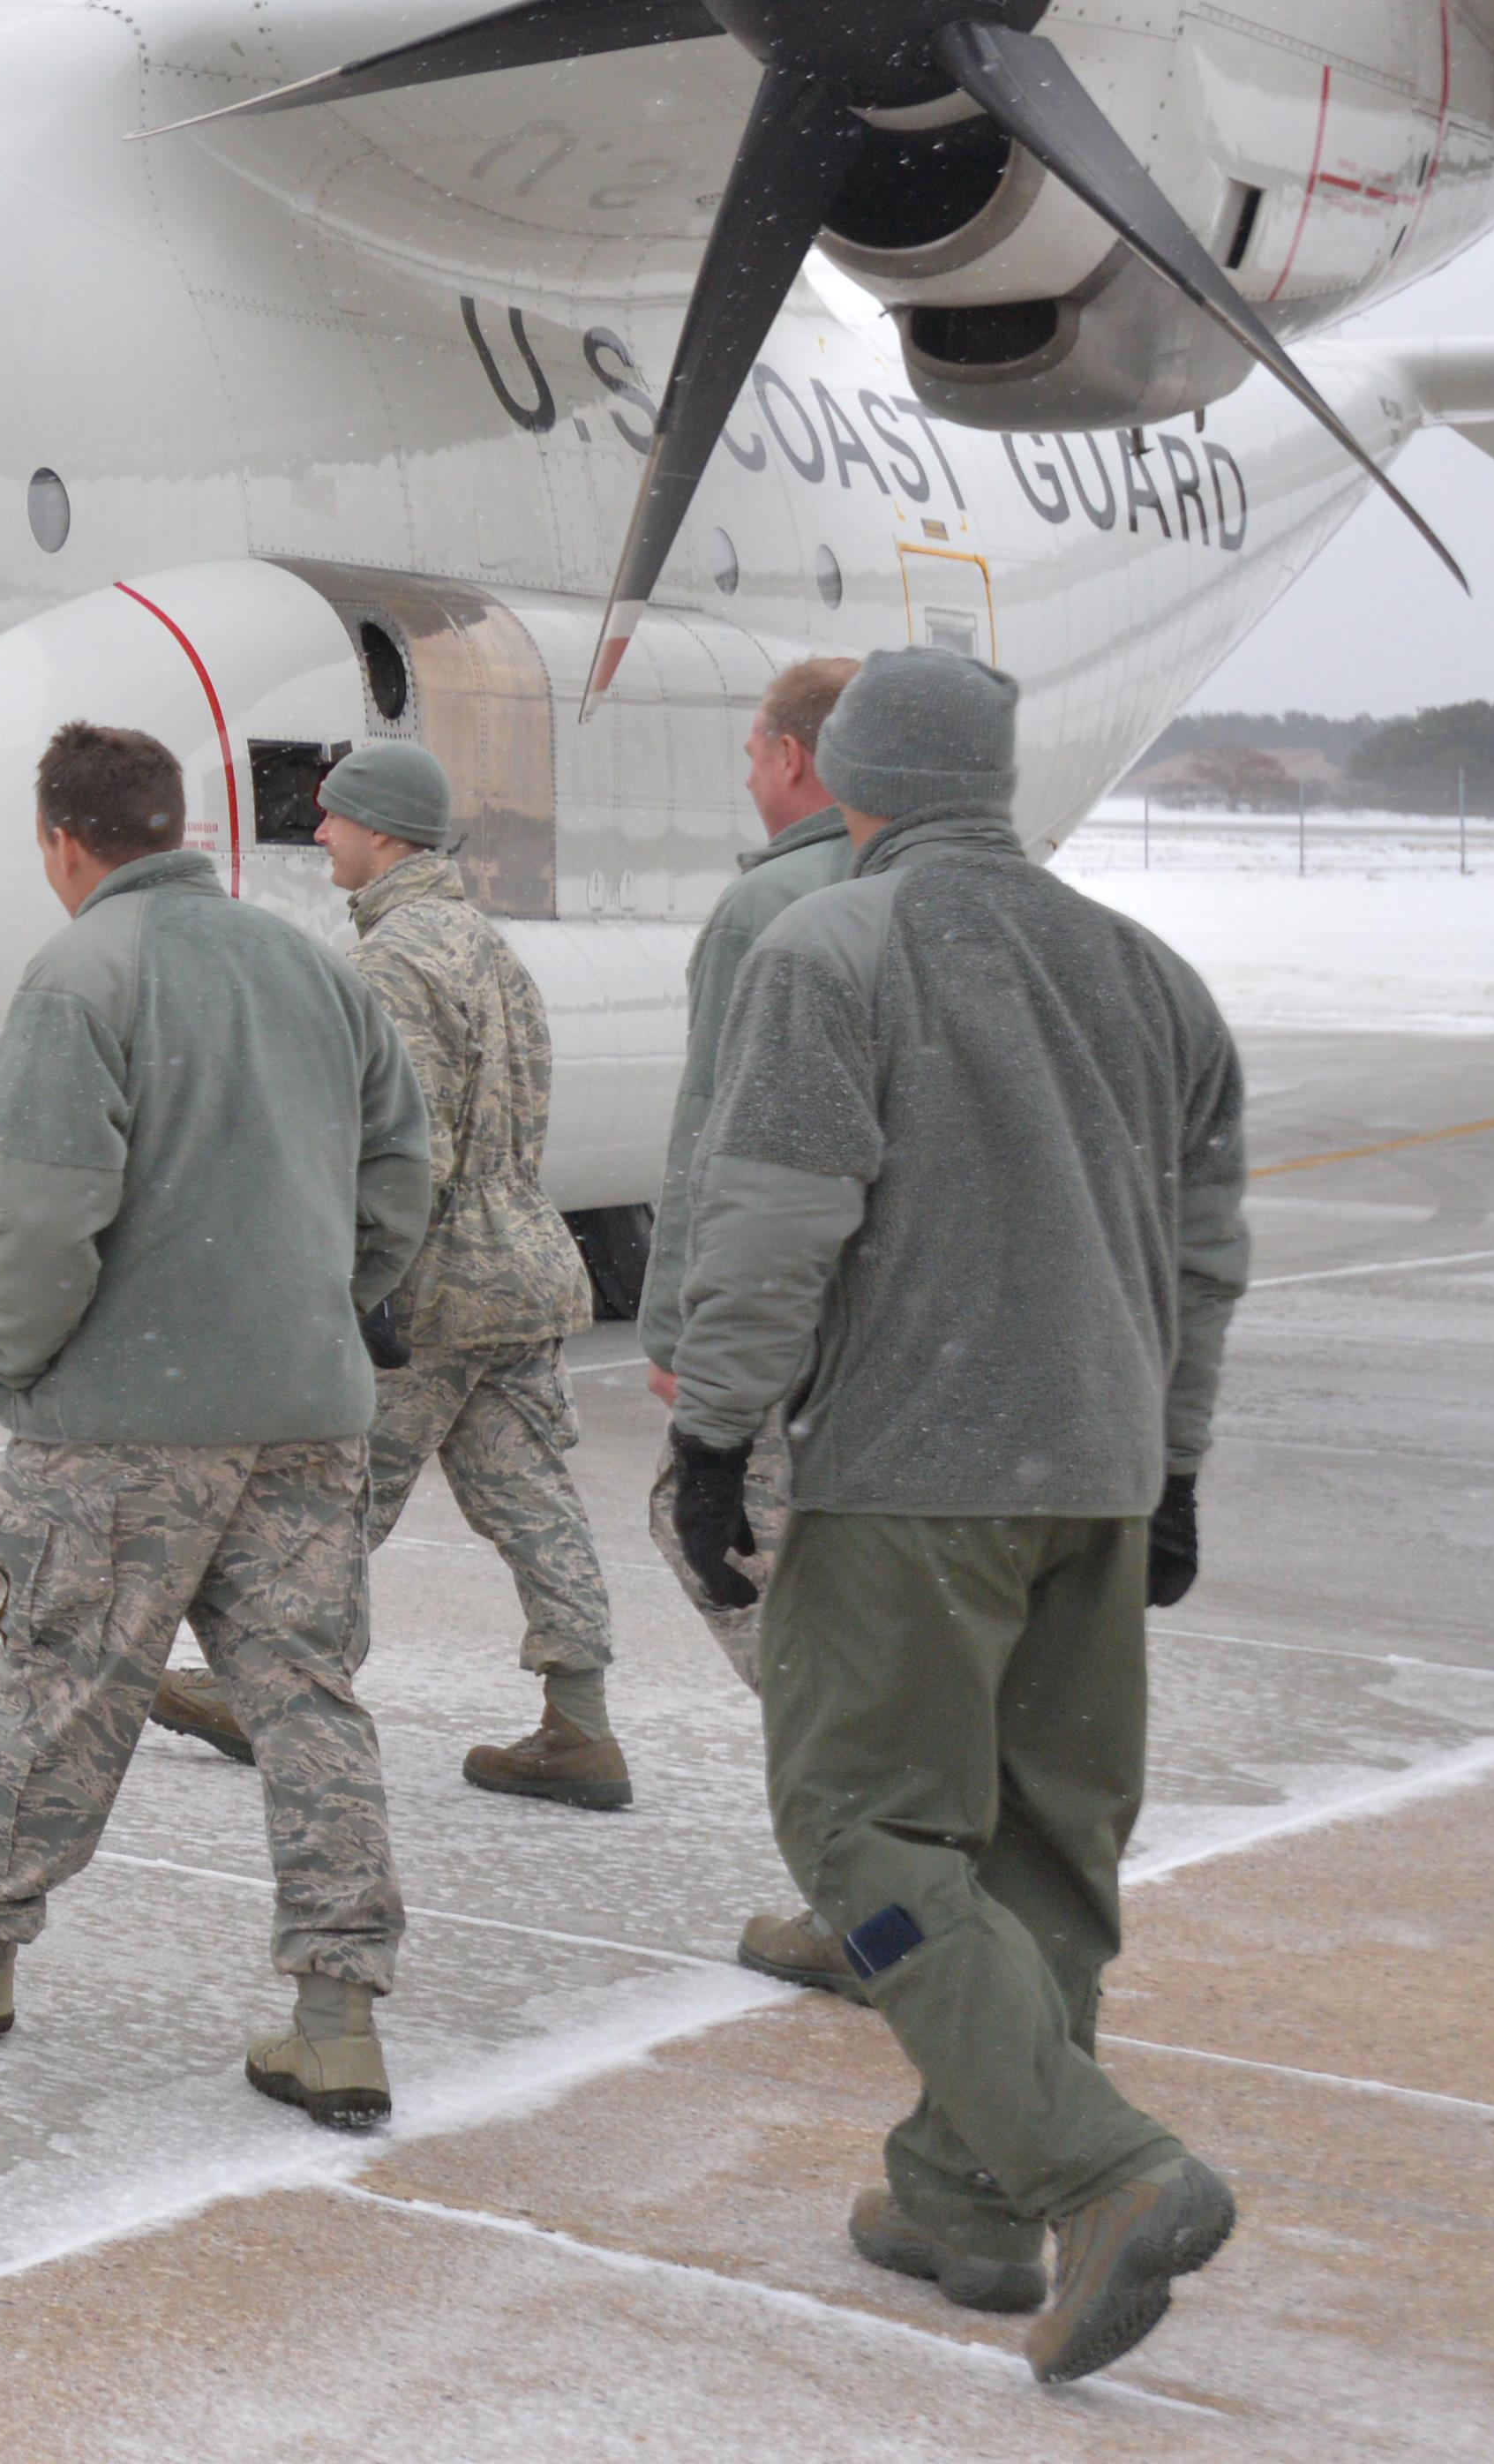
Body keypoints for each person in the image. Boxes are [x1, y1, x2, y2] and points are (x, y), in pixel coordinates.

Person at [665, 649, 1248, 2385]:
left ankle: (1101, 2168)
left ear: (845, 774)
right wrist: (1176, 1462)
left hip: (914, 1464)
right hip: (1099, 1462)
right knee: (1047, 1848)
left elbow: (772, 1218)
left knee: (864, 1831)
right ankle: (964, 2202)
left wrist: (708, 1437)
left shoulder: (829, 946)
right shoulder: (1148, 972)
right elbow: (1204, 1255)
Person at [0, 722, 434, 2128]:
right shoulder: (310, 966)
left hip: (127, 1422)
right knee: (309, 1702)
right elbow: (404, 1165)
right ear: (179, 826)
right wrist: (333, 1305)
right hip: (304, 1411)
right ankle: (337, 2015)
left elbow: (43, 1217)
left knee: (65, 1682)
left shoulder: (80, 976)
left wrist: (17, 1364)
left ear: (65, 843)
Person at [315, 737, 626, 1807]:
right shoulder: (492, 951)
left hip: (431, 1283)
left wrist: (366, 1284)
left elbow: (404, 1146)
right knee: (534, 1498)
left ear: (382, 831)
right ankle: (580, 1720)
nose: (320, 835)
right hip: (521, 1267)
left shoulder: (390, 961)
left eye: (334, 818)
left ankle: (280, 1687)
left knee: (336, 1493)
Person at [642, 653, 863, 1993]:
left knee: (725, 1548)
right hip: (916, 1335)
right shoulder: (953, 899)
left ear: (793, 757)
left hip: (789, 1327)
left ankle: (868, 1889)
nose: (746, 769)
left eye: (754, 749)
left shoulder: (771, 908)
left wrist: (682, 1330)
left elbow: (718, 1137)